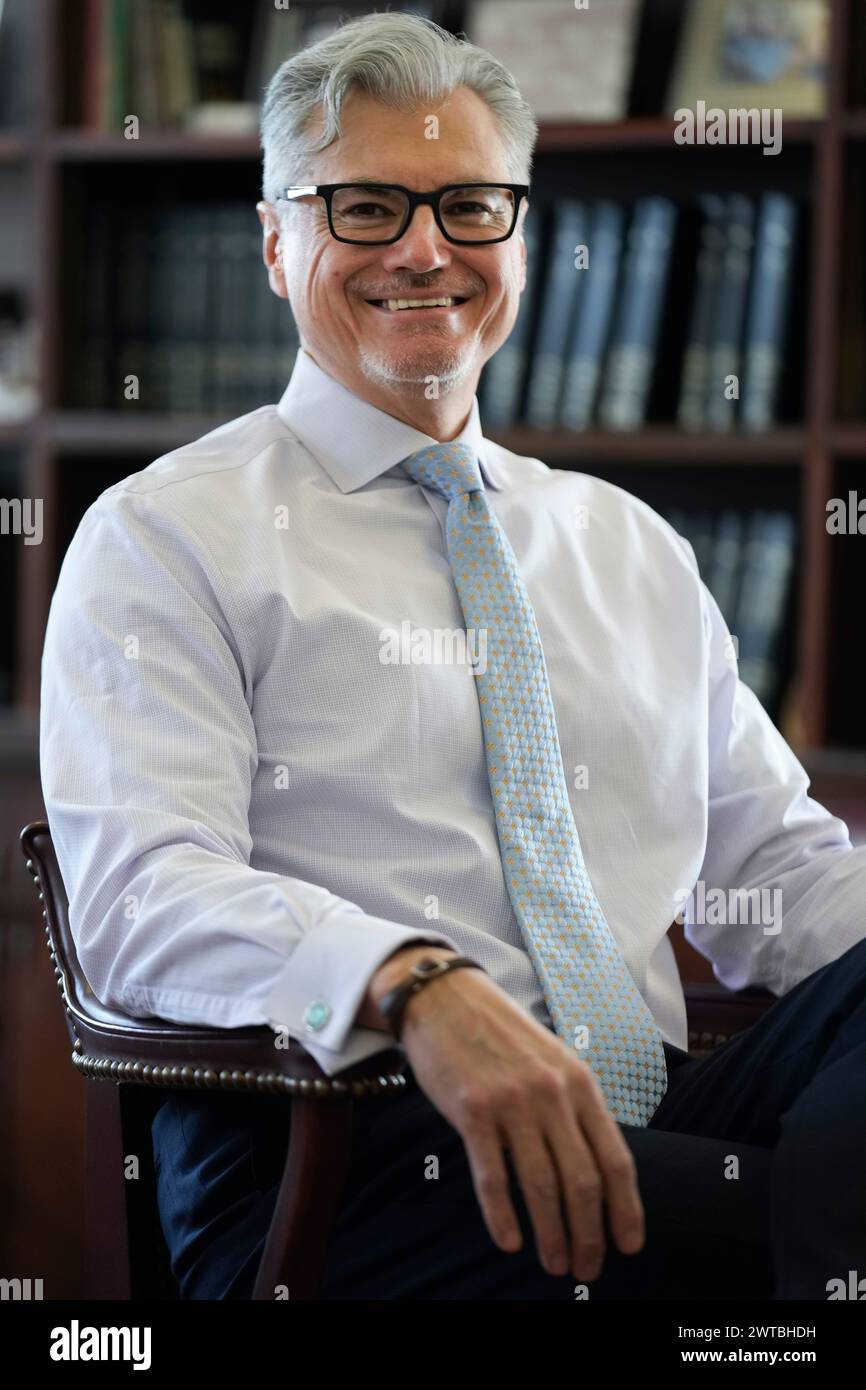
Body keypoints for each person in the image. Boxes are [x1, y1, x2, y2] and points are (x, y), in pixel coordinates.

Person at [40, 12, 866, 1301]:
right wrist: (412, 985)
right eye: (364, 206)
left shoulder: (626, 542)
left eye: (470, 206)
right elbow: (143, 900)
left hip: (658, 1115)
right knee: (785, 1243)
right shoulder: (163, 533)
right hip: (341, 1144)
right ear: (275, 243)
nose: (427, 250)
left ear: (517, 239)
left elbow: (778, 870)